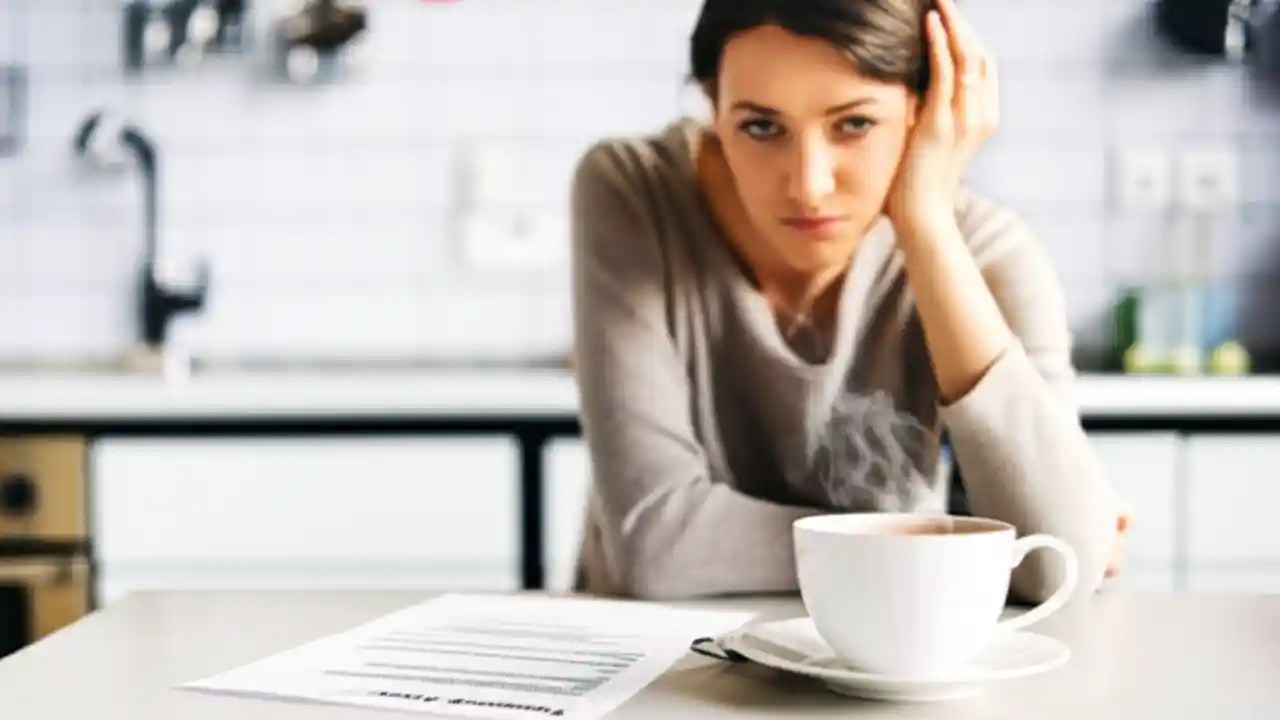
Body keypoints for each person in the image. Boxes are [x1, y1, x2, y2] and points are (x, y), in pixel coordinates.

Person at [569, 0, 1129, 602]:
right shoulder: (635, 192)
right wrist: (951, 546)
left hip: (892, 641)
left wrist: (924, 223)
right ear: (712, 104)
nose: (809, 185)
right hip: (661, 653)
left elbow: (1056, 563)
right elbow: (656, 547)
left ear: (926, 108)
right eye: (761, 127)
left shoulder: (982, 252)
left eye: (855, 124)